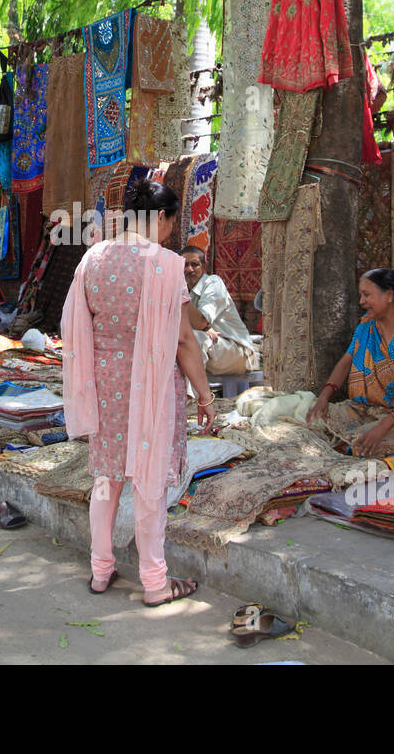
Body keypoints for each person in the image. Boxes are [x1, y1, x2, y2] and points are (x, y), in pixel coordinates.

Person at [62, 180, 215, 607]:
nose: (171, 231)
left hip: (105, 383)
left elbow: (76, 325)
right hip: (151, 386)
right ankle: (154, 583)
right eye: (172, 222)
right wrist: (205, 397)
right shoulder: (167, 265)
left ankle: (100, 570)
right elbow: (185, 341)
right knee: (149, 482)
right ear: (162, 218)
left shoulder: (93, 258)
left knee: (107, 478)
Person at [305, 268, 394, 460]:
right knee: (313, 424)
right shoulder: (366, 326)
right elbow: (345, 363)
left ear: (389, 295)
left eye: (367, 295)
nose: (362, 301)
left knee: (367, 449)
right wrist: (324, 397)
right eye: (361, 295)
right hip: (372, 411)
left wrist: (380, 429)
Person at [180, 245, 259, 376]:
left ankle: (193, 395)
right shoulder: (187, 291)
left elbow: (200, 322)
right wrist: (205, 329)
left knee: (193, 339)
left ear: (204, 267)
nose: (189, 269)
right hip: (216, 349)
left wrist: (203, 327)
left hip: (237, 353)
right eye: (185, 265)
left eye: (195, 264)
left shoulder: (213, 282)